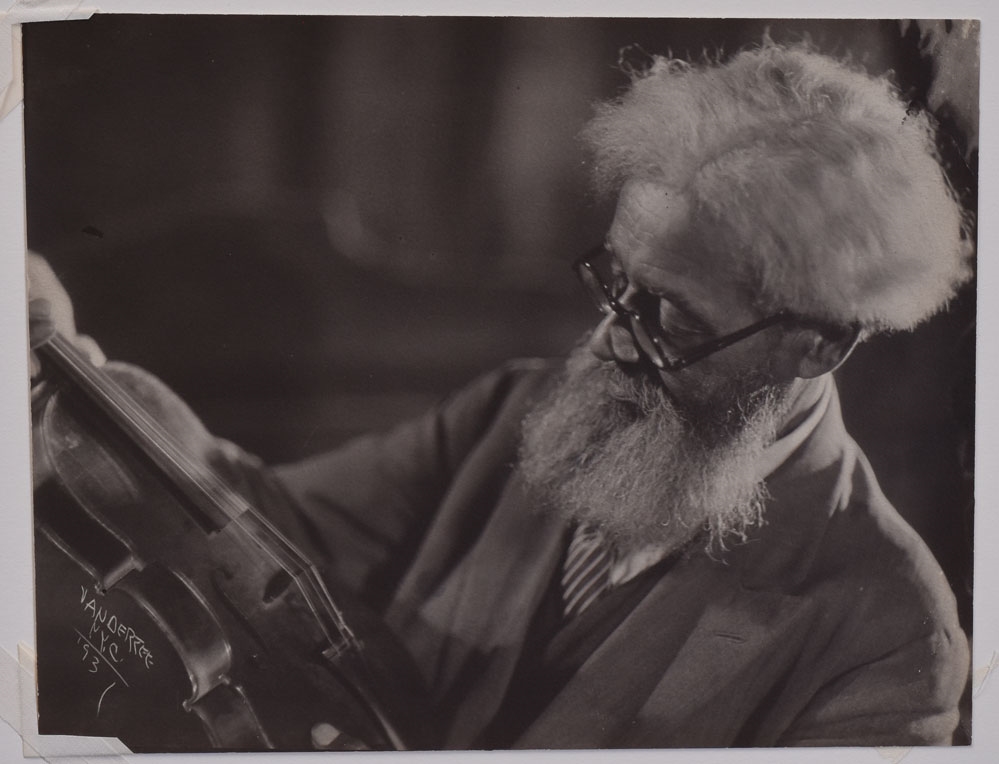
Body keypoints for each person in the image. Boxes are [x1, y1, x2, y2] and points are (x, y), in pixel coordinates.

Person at [29, 42, 972, 749]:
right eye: (616, 279)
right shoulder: (514, 408)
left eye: (671, 315)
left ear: (818, 344)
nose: (607, 336)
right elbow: (264, 539)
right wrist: (60, 370)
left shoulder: (886, 638)